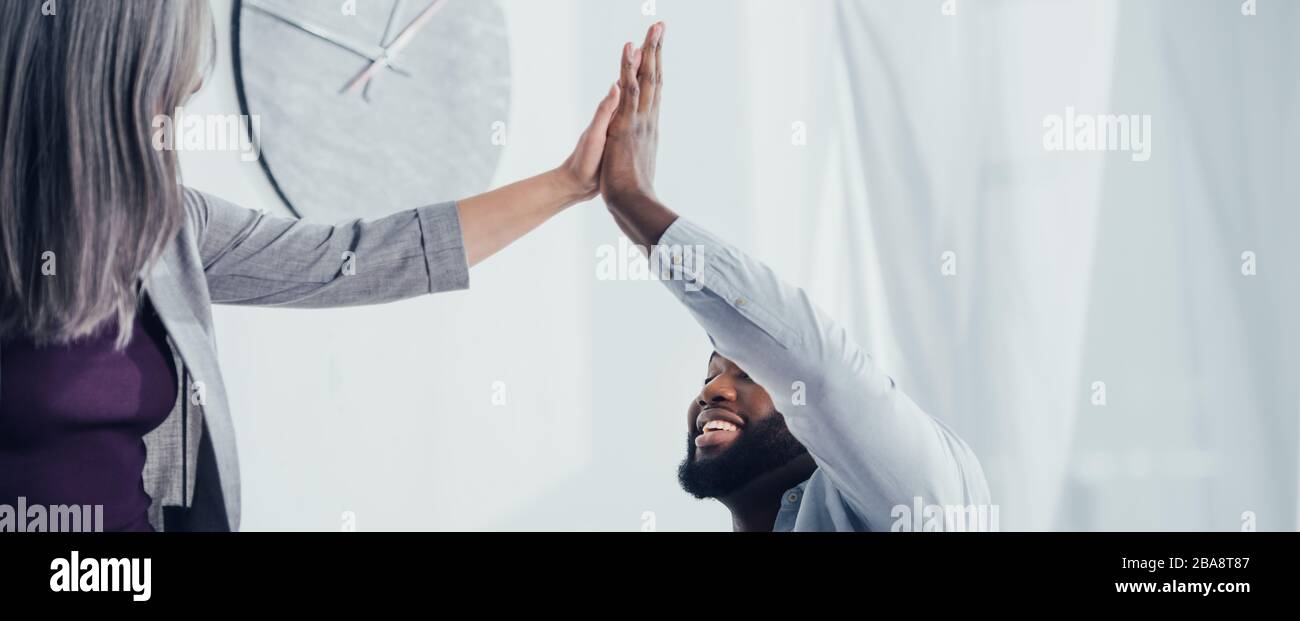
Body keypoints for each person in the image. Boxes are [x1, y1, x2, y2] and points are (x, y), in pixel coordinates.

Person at [0, 0, 621, 532]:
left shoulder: (163, 227)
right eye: (159, 89)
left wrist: (569, 184)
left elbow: (349, 257)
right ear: (98, 81)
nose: (173, 112)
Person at [598, 23, 992, 531]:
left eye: (751, 372)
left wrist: (632, 200)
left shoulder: (924, 495)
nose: (712, 390)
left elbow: (820, 371)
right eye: (710, 374)